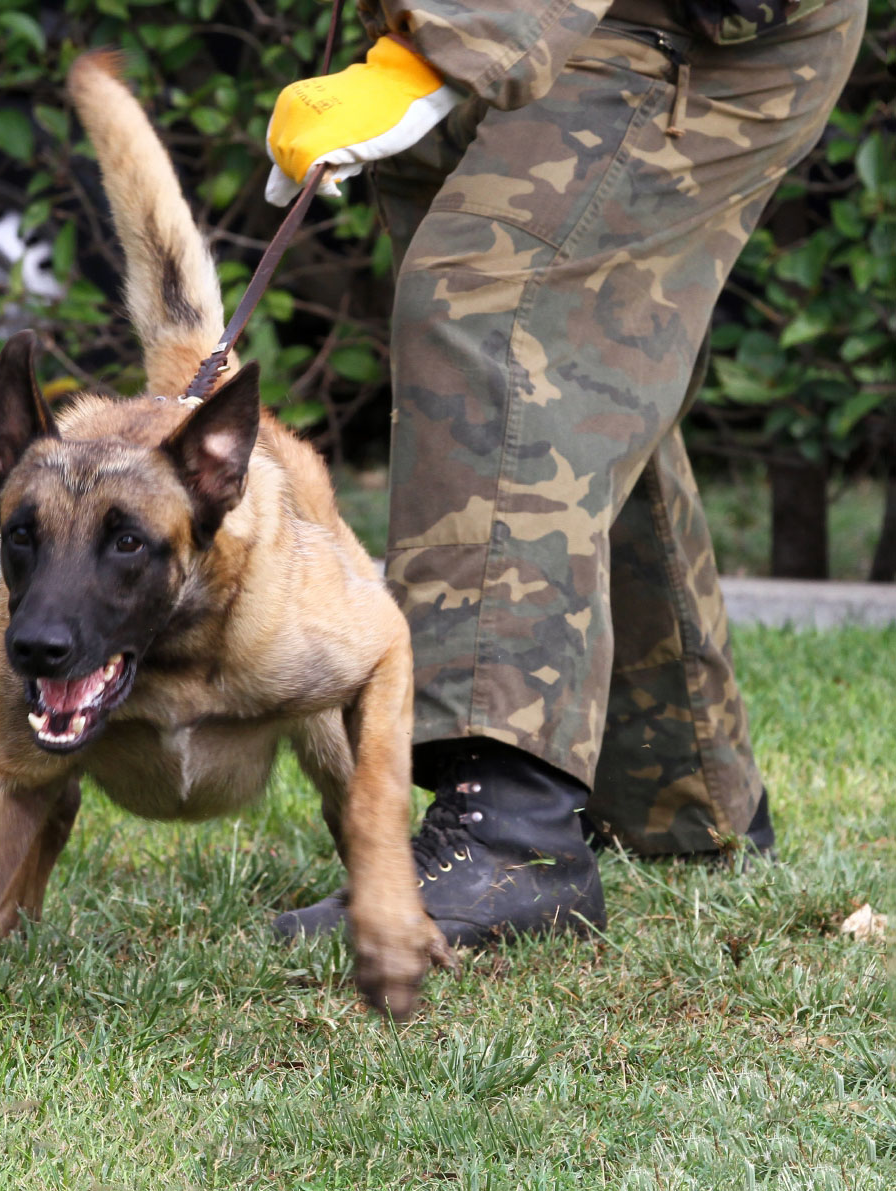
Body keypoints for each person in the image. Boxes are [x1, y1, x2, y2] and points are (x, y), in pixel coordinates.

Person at [265, 0, 867, 946]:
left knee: (491, 306)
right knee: (568, 376)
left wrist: (459, 32)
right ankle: (683, 799)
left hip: (708, 25)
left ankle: (510, 832)